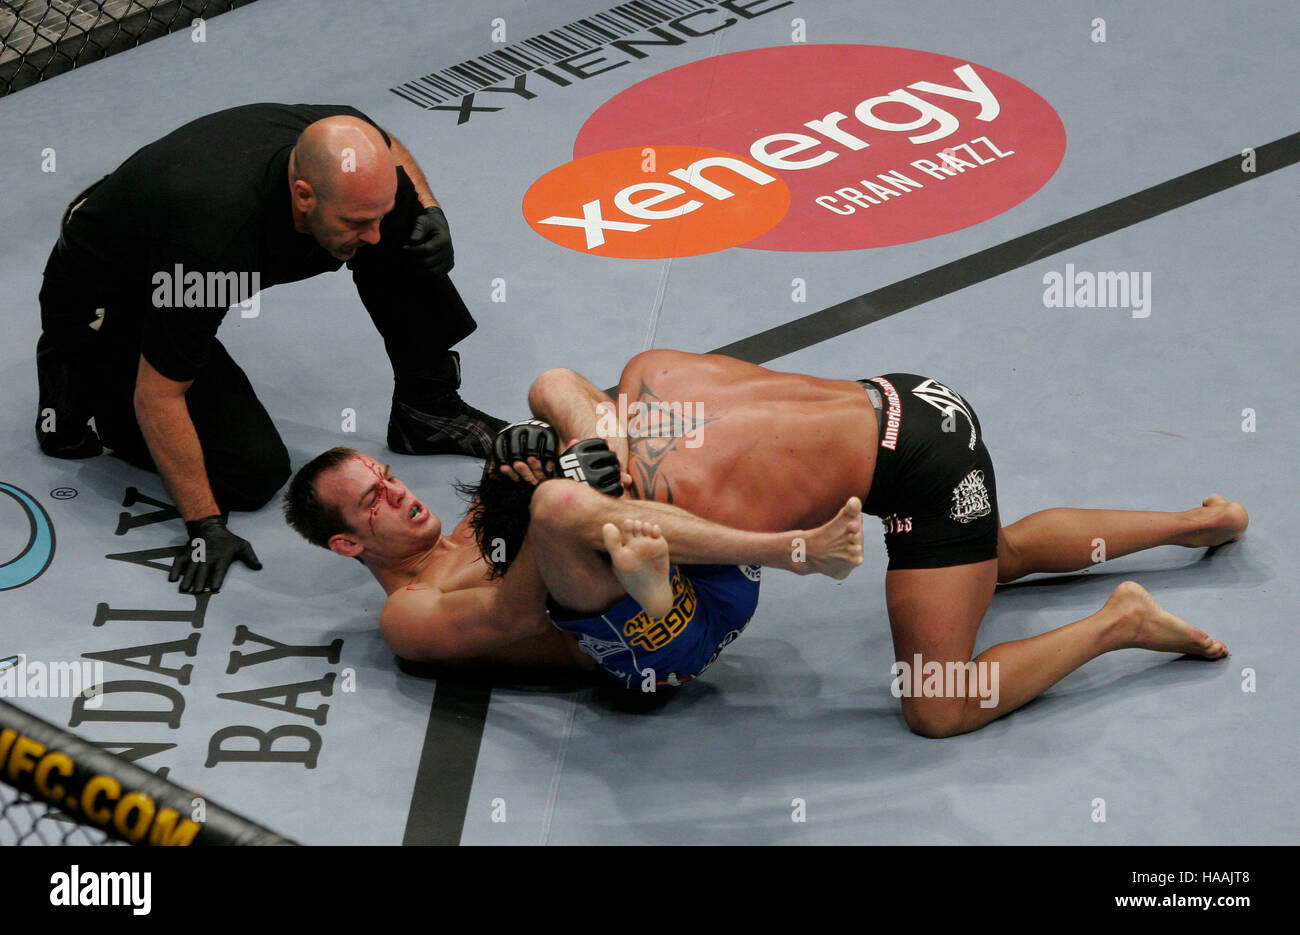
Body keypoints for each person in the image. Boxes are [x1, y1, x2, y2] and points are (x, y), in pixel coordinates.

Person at [507, 350, 1248, 737]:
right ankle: (1197, 521)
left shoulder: (680, 505)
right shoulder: (647, 375)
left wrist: (801, 547)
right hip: (909, 398)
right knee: (997, 556)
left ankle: (1119, 621)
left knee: (938, 705)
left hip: (925, 475)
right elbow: (555, 382)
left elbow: (679, 576)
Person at [33, 103, 505, 595]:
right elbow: (161, 396)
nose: (374, 236)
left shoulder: (342, 153)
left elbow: (384, 144)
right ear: (303, 195)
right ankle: (76, 370)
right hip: (111, 295)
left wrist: (428, 209)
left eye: (373, 217)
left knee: (407, 230)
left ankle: (426, 410)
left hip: (174, 237)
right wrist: (204, 526)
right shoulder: (213, 246)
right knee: (252, 472)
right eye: (356, 222)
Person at [281, 443, 865, 690]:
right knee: (561, 503)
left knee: (560, 387)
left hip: (704, 574)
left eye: (386, 477)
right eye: (372, 501)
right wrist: (549, 493)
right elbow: (515, 618)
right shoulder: (406, 613)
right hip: (651, 651)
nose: (396, 491)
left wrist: (537, 456)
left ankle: (651, 570)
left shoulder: (470, 529)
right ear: (346, 544)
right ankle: (798, 551)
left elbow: (551, 453)